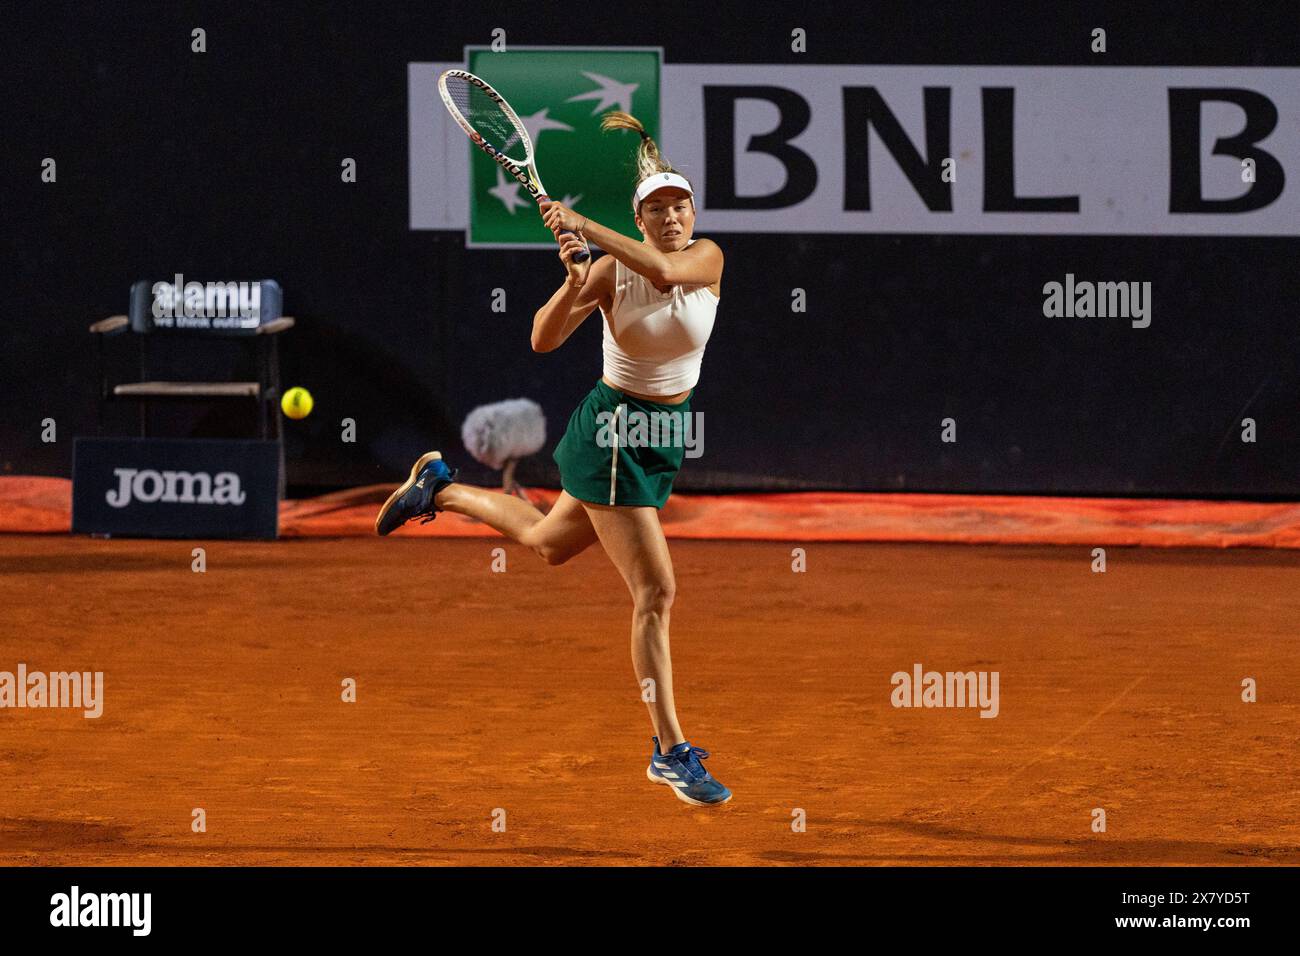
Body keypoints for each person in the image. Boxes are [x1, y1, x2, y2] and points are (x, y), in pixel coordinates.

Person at [375, 110, 729, 806]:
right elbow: (542, 340)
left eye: (679, 205)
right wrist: (573, 280)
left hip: (663, 435)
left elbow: (660, 268)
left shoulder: (706, 257)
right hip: (615, 432)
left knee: (544, 542)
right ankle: (670, 751)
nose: (671, 217)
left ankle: (438, 489)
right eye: (656, 208)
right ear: (640, 214)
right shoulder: (605, 275)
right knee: (656, 593)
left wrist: (583, 226)